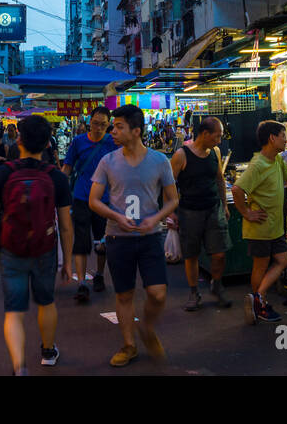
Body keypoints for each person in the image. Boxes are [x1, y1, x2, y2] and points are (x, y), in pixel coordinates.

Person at [0, 114, 74, 374]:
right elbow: (65, 225)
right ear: (47, 144)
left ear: (18, 140)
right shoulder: (57, 177)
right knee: (46, 301)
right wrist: (69, 262)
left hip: (12, 249)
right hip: (45, 248)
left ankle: (19, 366)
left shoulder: (2, 173)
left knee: (14, 310)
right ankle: (48, 351)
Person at [88, 104, 179, 367]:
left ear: (136, 131)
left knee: (158, 293)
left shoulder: (160, 161)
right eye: (112, 127)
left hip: (151, 236)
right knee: (124, 295)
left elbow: (173, 199)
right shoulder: (108, 161)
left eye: (118, 127)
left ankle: (147, 329)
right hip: (118, 237)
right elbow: (94, 200)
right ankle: (129, 345)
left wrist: (156, 217)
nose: (112, 131)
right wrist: (117, 217)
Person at [232, 120, 287, 324]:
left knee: (284, 259)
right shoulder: (258, 165)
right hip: (260, 227)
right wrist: (246, 213)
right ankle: (260, 305)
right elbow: (237, 190)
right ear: (272, 138)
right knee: (261, 266)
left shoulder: (277, 160)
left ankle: (257, 298)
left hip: (275, 226)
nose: (286, 140)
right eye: (283, 136)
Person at [169, 116, 232, 311]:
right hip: (190, 212)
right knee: (192, 255)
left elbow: (219, 179)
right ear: (205, 134)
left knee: (219, 253)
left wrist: (224, 205)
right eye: (217, 136)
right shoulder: (182, 155)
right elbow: (169, 185)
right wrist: (172, 212)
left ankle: (216, 285)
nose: (219, 141)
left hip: (213, 208)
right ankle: (194, 292)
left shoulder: (215, 151)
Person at [61, 107, 116, 302]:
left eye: (103, 124)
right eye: (95, 123)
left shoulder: (112, 142)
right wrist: (58, 189)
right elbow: (67, 167)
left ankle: (99, 275)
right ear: (89, 122)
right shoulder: (78, 142)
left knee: (102, 242)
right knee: (81, 241)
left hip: (105, 200)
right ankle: (82, 283)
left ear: (108, 125)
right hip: (82, 198)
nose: (99, 127)